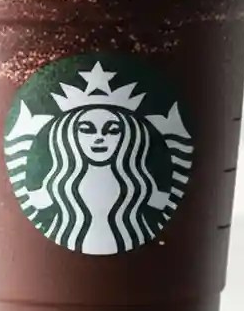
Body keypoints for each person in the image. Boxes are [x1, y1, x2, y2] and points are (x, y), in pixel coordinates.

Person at [21, 105, 172, 254]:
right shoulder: (55, 186)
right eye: (87, 130)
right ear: (70, 137)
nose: (100, 138)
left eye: (112, 131)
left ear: (125, 138)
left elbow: (164, 202)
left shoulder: (141, 186)